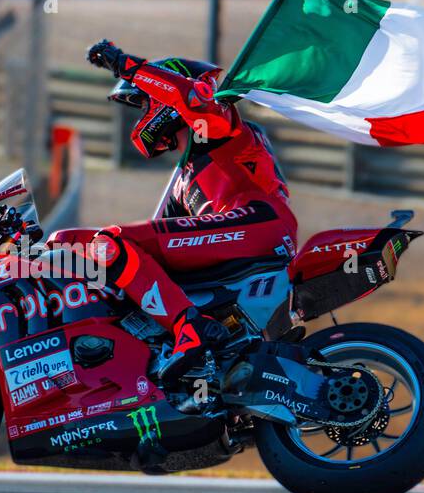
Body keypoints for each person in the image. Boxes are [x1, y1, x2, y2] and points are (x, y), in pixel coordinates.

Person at [82, 40, 299, 385]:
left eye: (143, 102)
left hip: (257, 222)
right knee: (114, 250)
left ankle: (190, 331)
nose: (142, 115)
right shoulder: (185, 176)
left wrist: (125, 65)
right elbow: (147, 248)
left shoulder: (218, 124)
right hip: (247, 232)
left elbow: (189, 96)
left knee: (112, 239)